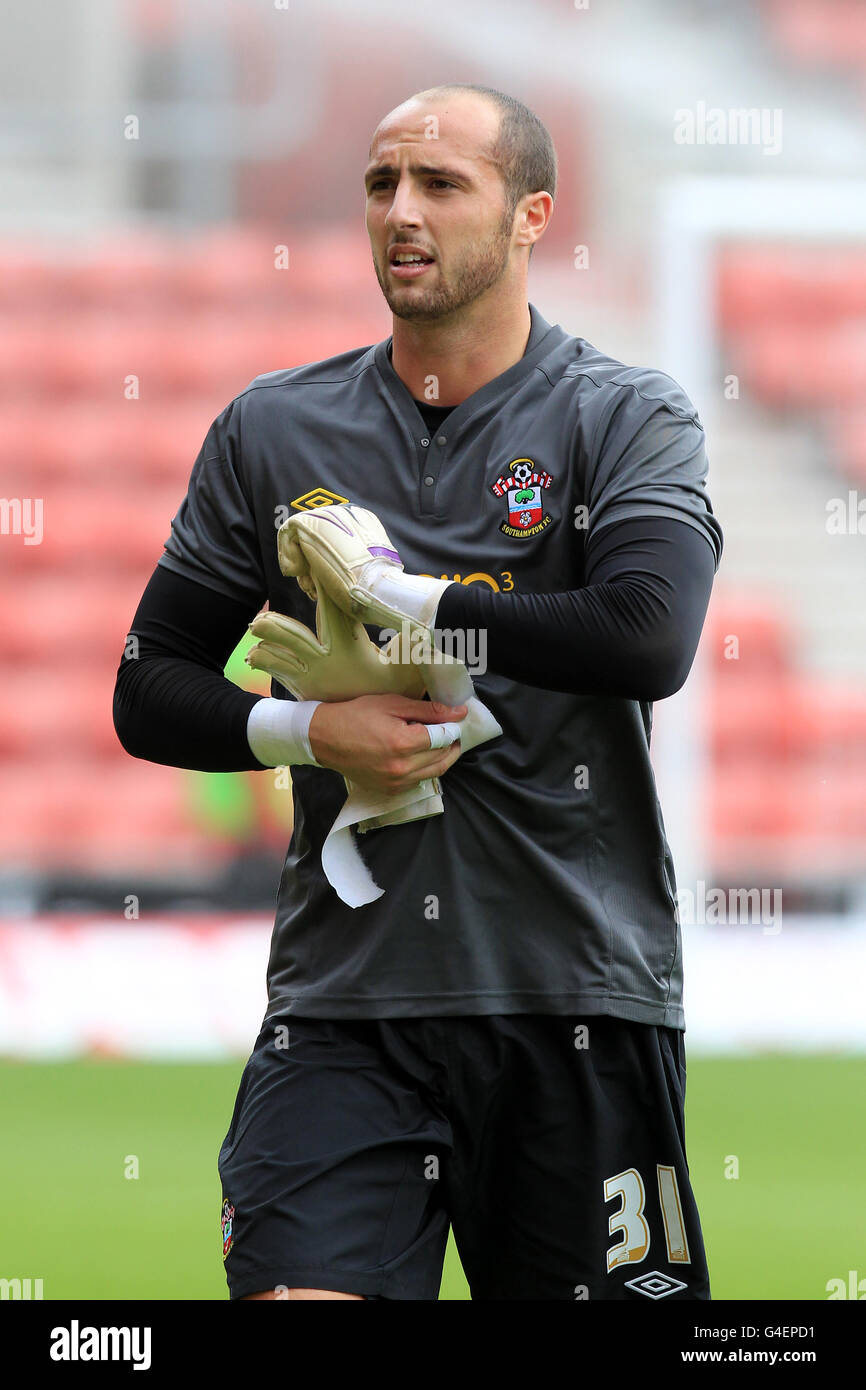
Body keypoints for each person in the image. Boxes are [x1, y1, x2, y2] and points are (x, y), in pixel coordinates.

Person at [113, 82, 723, 1301]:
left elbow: (646, 638)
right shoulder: (272, 430)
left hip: (576, 1000)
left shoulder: (623, 415)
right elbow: (147, 687)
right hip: (343, 1010)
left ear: (529, 214)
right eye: (382, 183)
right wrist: (304, 728)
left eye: (441, 185)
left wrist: (416, 602)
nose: (402, 211)